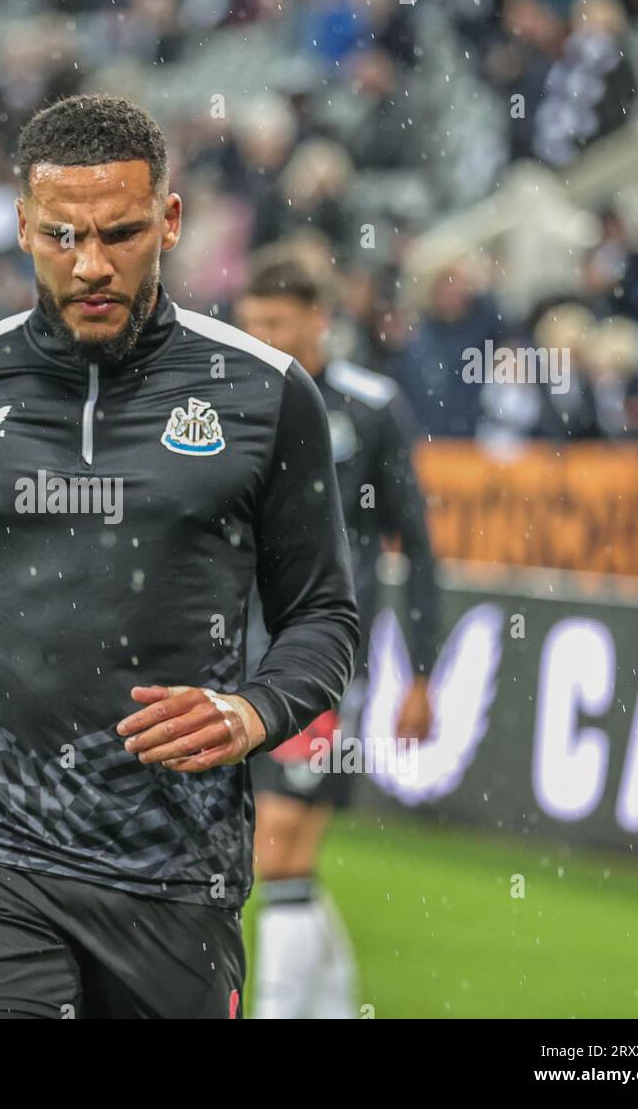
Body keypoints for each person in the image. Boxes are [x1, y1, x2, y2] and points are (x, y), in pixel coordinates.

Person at [0, 93, 360, 1019]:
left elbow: (322, 615)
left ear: (171, 219)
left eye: (120, 234)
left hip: (175, 870)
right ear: (21, 227)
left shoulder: (268, 394)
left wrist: (254, 710)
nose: (90, 266)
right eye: (61, 235)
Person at [234, 259, 439, 1018]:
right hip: (233, 655)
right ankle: (335, 1001)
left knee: (278, 844)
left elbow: (415, 549)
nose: (261, 338)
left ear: (320, 320)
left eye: (277, 324)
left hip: (319, 660)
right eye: (251, 323)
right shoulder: (225, 402)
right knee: (276, 851)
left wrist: (422, 673)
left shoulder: (373, 409)